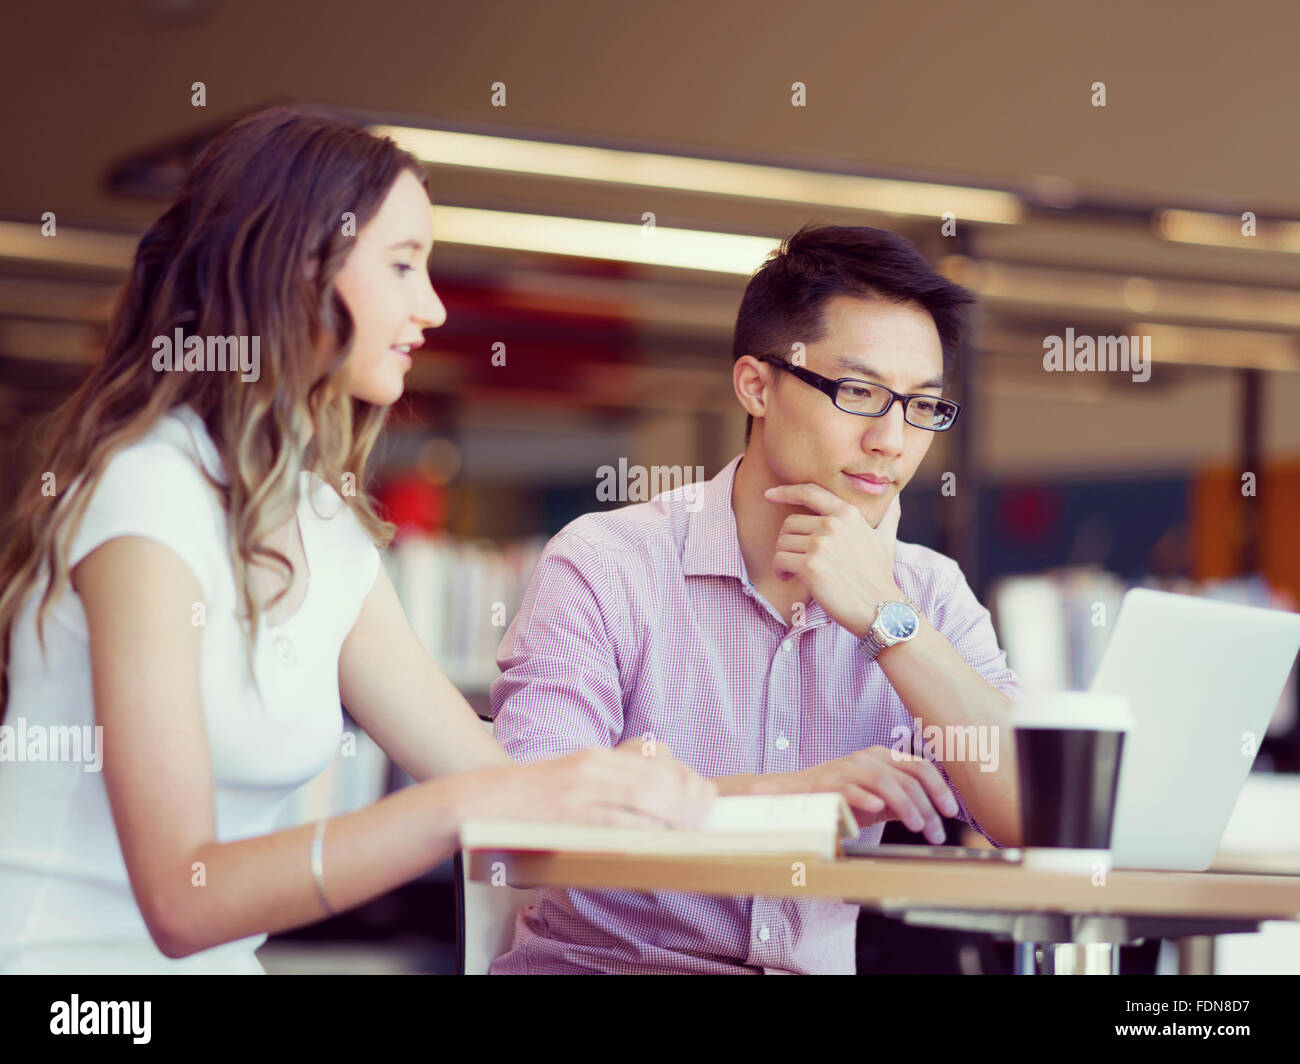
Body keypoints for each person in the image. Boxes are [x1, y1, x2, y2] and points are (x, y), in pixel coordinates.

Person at [0, 106, 715, 974]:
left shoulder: (320, 524)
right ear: (298, 270)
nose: (434, 305)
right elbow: (183, 901)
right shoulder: (148, 494)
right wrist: (462, 808)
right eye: (404, 264)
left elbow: (486, 776)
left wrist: (774, 793)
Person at [489, 223, 1025, 974]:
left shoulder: (927, 590)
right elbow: (525, 825)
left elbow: (1031, 813)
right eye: (860, 392)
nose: (891, 440)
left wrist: (887, 620)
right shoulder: (607, 563)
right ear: (756, 385)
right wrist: (781, 799)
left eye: (921, 406)